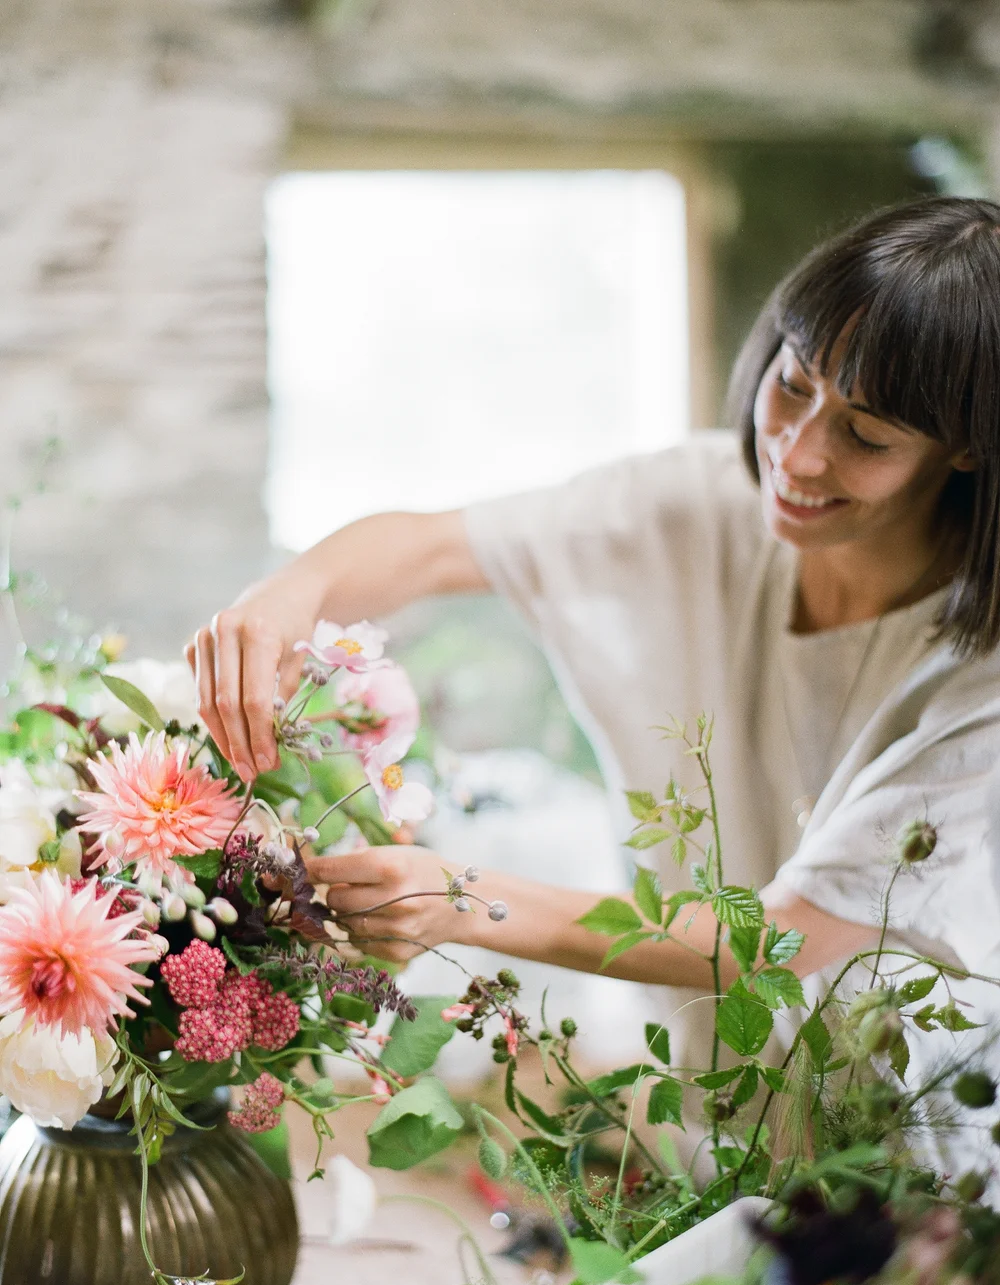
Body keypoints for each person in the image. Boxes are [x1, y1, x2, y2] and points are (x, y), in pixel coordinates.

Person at [188, 197, 1000, 1013]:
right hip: (697, 1114)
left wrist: (462, 900)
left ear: (967, 444)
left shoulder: (983, 682)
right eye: (792, 384)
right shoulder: (703, 498)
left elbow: (781, 938)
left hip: (900, 1118)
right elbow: (436, 545)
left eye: (864, 435)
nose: (797, 450)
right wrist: (289, 594)